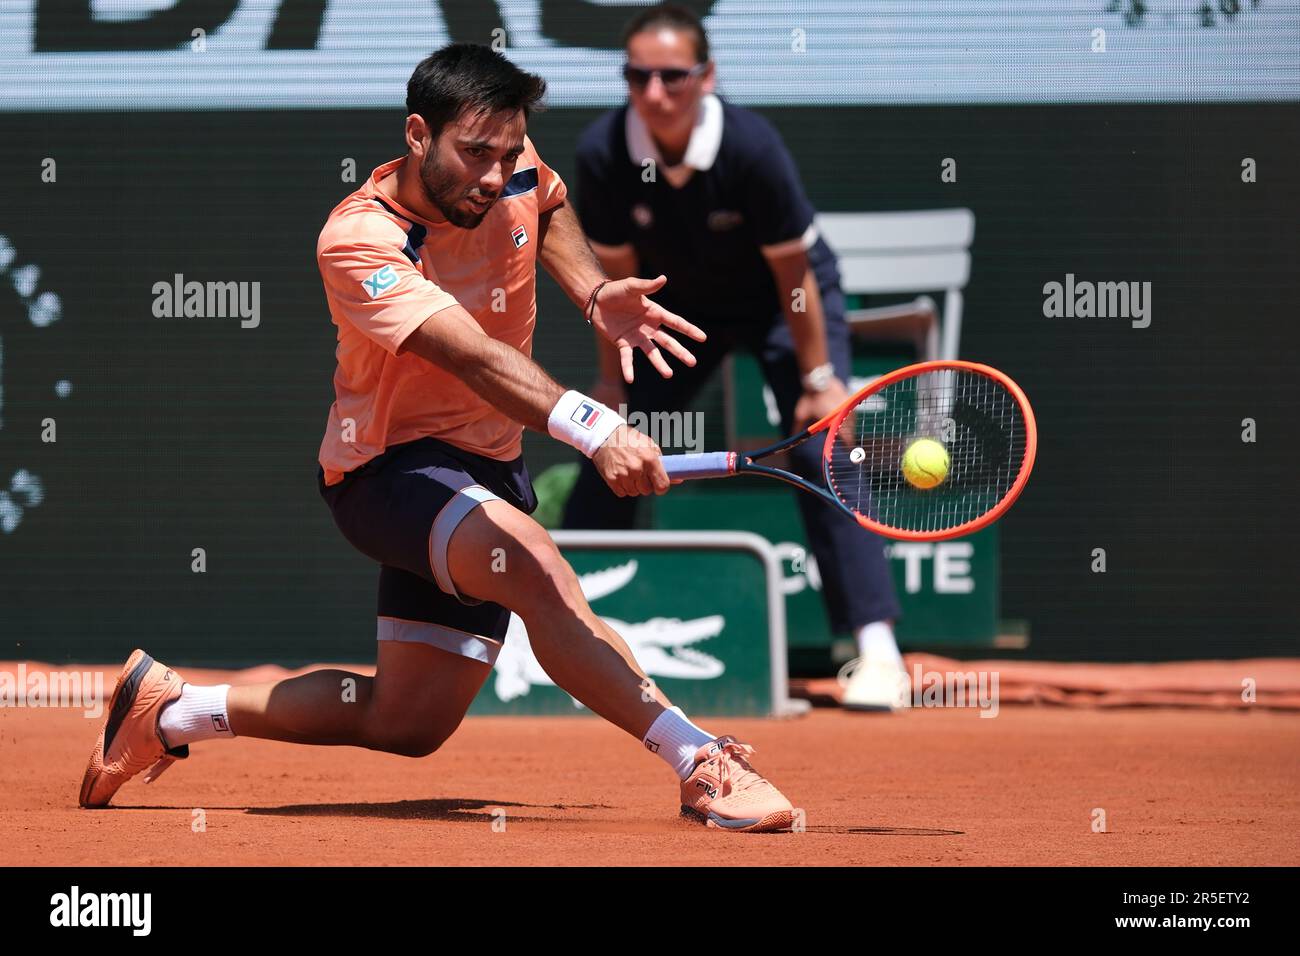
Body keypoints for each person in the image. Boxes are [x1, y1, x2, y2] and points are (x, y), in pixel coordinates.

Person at [78, 43, 795, 833]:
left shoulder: (512, 163)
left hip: (490, 470)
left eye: (508, 152)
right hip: (387, 473)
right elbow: (474, 358)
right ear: (419, 134)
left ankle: (171, 712)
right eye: (475, 153)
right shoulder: (358, 239)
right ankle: (699, 761)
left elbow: (545, 204)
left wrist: (592, 292)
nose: (494, 175)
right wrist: (598, 429)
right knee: (535, 567)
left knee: (406, 723)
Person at [560, 4, 908, 709]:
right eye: (637, 76)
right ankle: (566, 638)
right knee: (610, 440)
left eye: (672, 77)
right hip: (674, 314)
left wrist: (816, 379)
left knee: (822, 444)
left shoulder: (751, 148)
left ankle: (877, 652)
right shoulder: (603, 155)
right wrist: (611, 384)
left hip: (783, 305)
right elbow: (616, 288)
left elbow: (796, 277)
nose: (654, 93)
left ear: (706, 77)